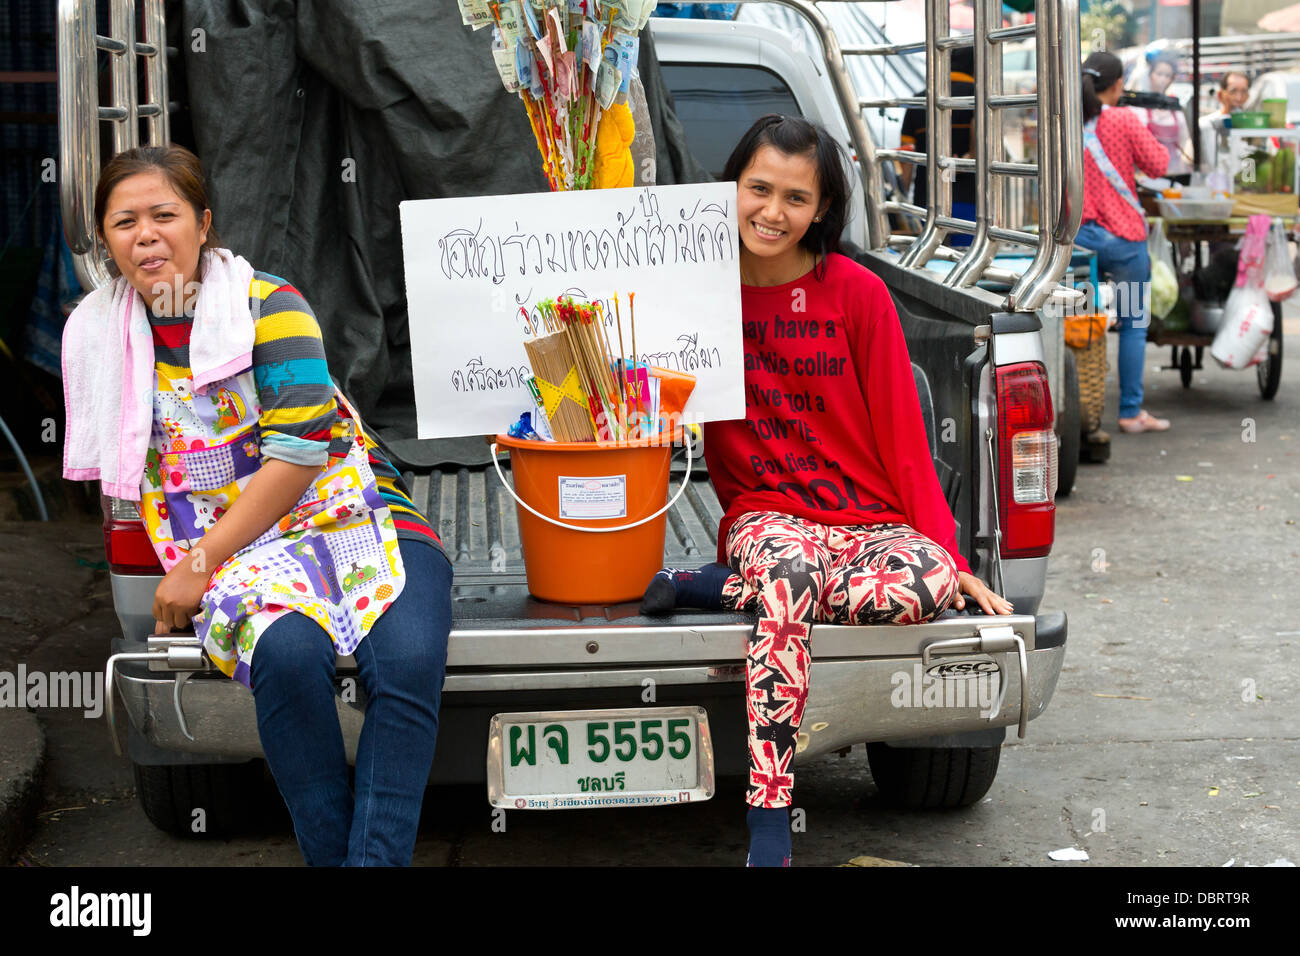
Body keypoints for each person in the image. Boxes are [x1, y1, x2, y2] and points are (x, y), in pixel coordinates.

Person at [62, 144, 452, 866]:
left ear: (203, 223)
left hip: (357, 516)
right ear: (104, 241)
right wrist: (209, 560)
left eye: (164, 215)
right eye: (124, 222)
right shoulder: (99, 335)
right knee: (288, 658)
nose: (146, 236)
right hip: (244, 554)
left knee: (408, 662)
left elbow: (299, 458)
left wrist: (196, 565)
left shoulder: (269, 306)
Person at [639, 115, 1013, 866]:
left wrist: (951, 558)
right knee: (790, 577)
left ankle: (711, 588)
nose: (772, 212)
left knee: (925, 587)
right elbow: (650, 397)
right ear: (730, 188)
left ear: (823, 209)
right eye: (758, 189)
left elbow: (905, 440)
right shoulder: (694, 295)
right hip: (766, 516)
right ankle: (770, 814)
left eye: (796, 198)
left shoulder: (858, 294)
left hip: (869, 522)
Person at [1077, 51, 1171, 434]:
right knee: (1132, 325)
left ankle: (1073, 408)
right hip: (1124, 242)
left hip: (1077, 241)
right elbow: (1159, 164)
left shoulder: (1066, 121)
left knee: (1074, 320)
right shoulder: (1123, 118)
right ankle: (1130, 413)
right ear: (1117, 85)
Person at [898, 46, 976, 246]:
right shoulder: (979, 97)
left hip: (927, 200)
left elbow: (906, 160)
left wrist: (900, 205)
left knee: (929, 257)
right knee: (968, 256)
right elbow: (980, 152)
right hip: (969, 201)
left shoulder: (918, 100)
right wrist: (957, 165)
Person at [1134, 53, 1194, 180]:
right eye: (1159, 74)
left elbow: (1184, 141)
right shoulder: (1140, 109)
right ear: (1150, 75)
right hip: (1146, 173)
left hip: (1173, 171)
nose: (1162, 79)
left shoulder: (1175, 110)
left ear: (1171, 80)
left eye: (1167, 76)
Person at [1198, 71, 1250, 174]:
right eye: (1233, 91)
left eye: (1244, 91)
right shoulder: (1205, 124)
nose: (1239, 97)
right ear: (1220, 94)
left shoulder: (1253, 127)